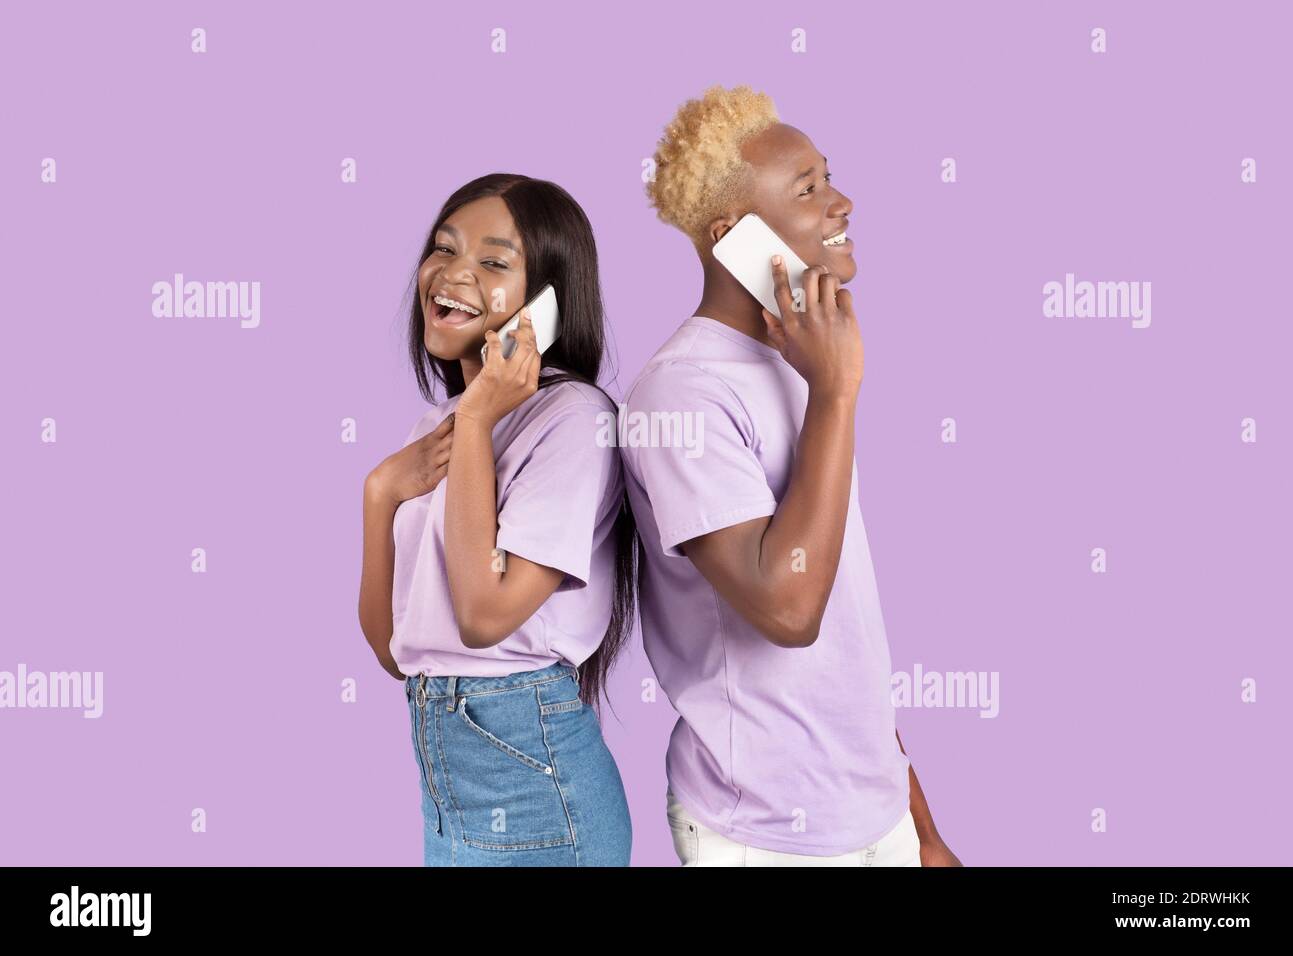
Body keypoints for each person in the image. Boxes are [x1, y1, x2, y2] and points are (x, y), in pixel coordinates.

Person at [622, 86, 961, 866]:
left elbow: (844, 639)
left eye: (828, 177)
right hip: (769, 835)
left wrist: (922, 827)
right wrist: (838, 394)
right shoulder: (682, 394)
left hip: (875, 815)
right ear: (732, 236)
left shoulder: (800, 367)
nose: (842, 201)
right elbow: (788, 609)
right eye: (808, 189)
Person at [359, 174, 636, 866]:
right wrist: (378, 493)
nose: (451, 274)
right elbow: (395, 652)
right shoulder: (443, 428)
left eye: (492, 261)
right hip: (448, 787)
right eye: (443, 250)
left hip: (541, 792)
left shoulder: (575, 420)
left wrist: (481, 416)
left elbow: (484, 617)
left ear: (547, 299)